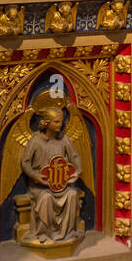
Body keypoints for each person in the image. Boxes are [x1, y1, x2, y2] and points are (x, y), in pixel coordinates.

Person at [20, 105, 83, 245]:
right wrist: (34, 175)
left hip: (62, 185)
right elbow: (25, 162)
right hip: (41, 186)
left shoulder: (64, 140)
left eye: (61, 121)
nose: (60, 125)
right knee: (46, 198)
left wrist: (77, 172)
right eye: (56, 122)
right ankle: (43, 233)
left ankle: (68, 231)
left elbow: (74, 157)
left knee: (72, 195)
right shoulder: (36, 141)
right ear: (46, 123)